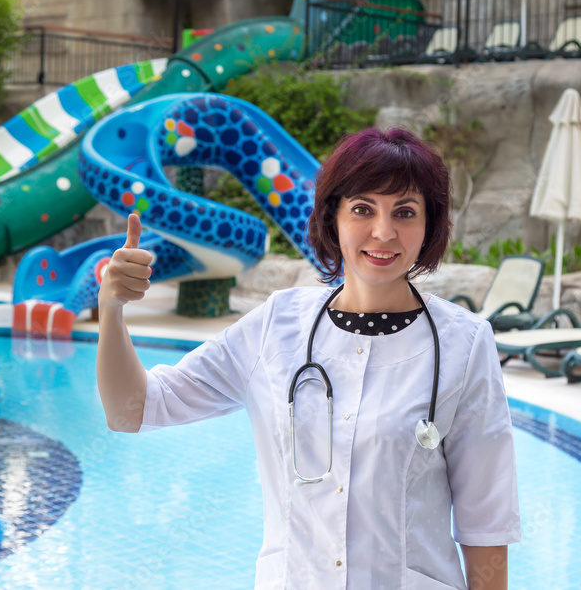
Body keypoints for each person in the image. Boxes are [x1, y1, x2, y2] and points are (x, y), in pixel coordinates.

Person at [96, 128, 521, 589]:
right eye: (362, 209)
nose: (384, 232)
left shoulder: (465, 343)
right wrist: (110, 309)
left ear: (429, 226)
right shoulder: (275, 326)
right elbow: (131, 411)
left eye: (405, 212)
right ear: (332, 216)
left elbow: (486, 525)